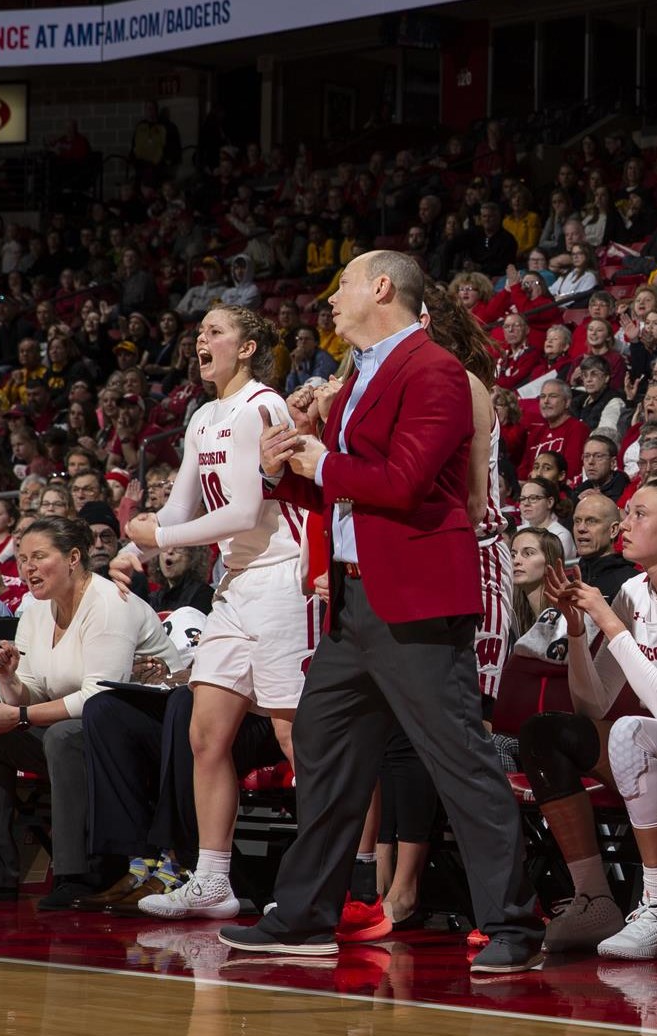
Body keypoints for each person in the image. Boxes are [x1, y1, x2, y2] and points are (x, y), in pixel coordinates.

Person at [241, 249, 544, 973]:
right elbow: (341, 494)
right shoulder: (356, 381)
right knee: (322, 745)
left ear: (382, 288)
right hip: (354, 598)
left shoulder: (433, 368)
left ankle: (513, 924)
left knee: (460, 761)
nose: (331, 302)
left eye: (342, 287)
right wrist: (282, 470)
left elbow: (407, 482)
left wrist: (323, 464)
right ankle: (305, 914)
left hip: (414, 597)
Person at [101, 305, 314, 923]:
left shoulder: (264, 406)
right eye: (198, 332)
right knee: (204, 732)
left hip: (283, 577)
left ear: (247, 348)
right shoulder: (203, 416)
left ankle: (323, 878)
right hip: (235, 583)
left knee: (292, 736)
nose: (201, 339)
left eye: (215, 331)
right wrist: (133, 544)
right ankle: (213, 880)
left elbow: (245, 510)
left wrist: (164, 540)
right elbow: (181, 508)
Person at [0, 516, 186, 908]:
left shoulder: (109, 603)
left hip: (144, 734)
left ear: (73, 557)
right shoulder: (34, 609)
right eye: (22, 558)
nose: (28, 568)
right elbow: (28, 695)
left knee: (64, 736)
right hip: (74, 729)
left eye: (39, 557)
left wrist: (19, 717)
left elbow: (99, 698)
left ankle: (77, 874)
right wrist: (7, 678)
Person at [516, 476, 657, 957]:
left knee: (632, 731)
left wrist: (608, 621)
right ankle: (593, 898)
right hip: (650, 747)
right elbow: (593, 707)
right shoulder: (632, 591)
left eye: (638, 514)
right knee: (545, 732)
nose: (624, 525)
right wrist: (579, 631)